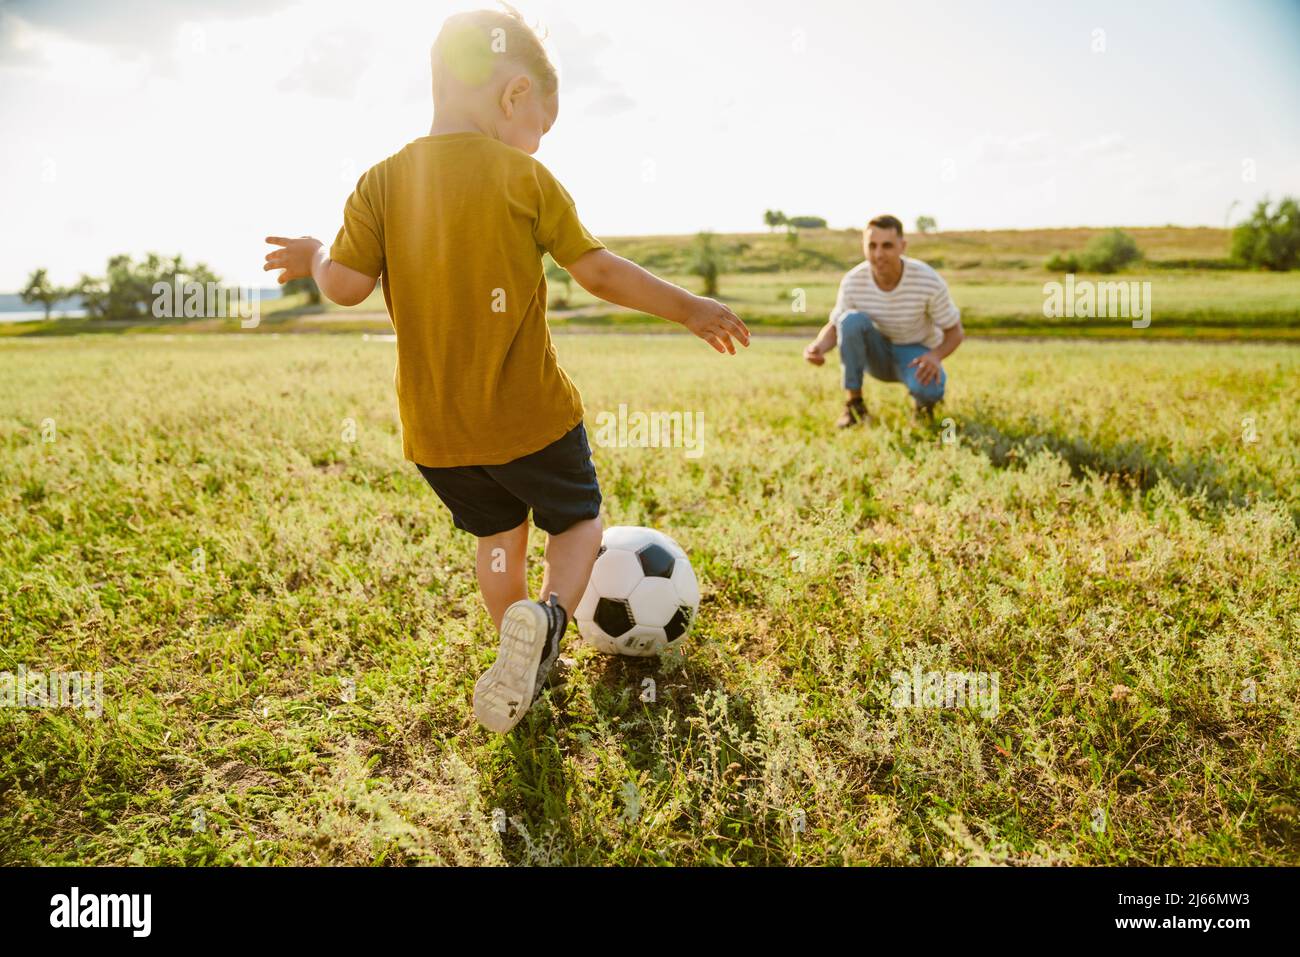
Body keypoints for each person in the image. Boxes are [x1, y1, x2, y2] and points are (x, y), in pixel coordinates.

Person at [263, 5, 749, 734]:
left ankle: (515, 651)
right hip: (529, 414)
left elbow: (344, 287)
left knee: (499, 541)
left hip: (437, 436)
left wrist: (314, 257)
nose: (536, 142)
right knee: (578, 519)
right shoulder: (526, 178)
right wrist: (689, 309)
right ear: (515, 95)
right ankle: (550, 622)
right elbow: (601, 272)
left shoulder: (380, 183)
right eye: (540, 127)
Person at [803, 215, 963, 427]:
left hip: (915, 355)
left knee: (930, 389)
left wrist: (935, 356)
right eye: (872, 246)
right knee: (850, 320)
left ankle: (925, 404)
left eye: (887, 246)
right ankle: (854, 406)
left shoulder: (928, 280)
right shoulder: (853, 281)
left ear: (902, 246)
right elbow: (836, 326)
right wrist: (818, 347)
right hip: (875, 353)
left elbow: (955, 332)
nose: (878, 254)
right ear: (864, 247)